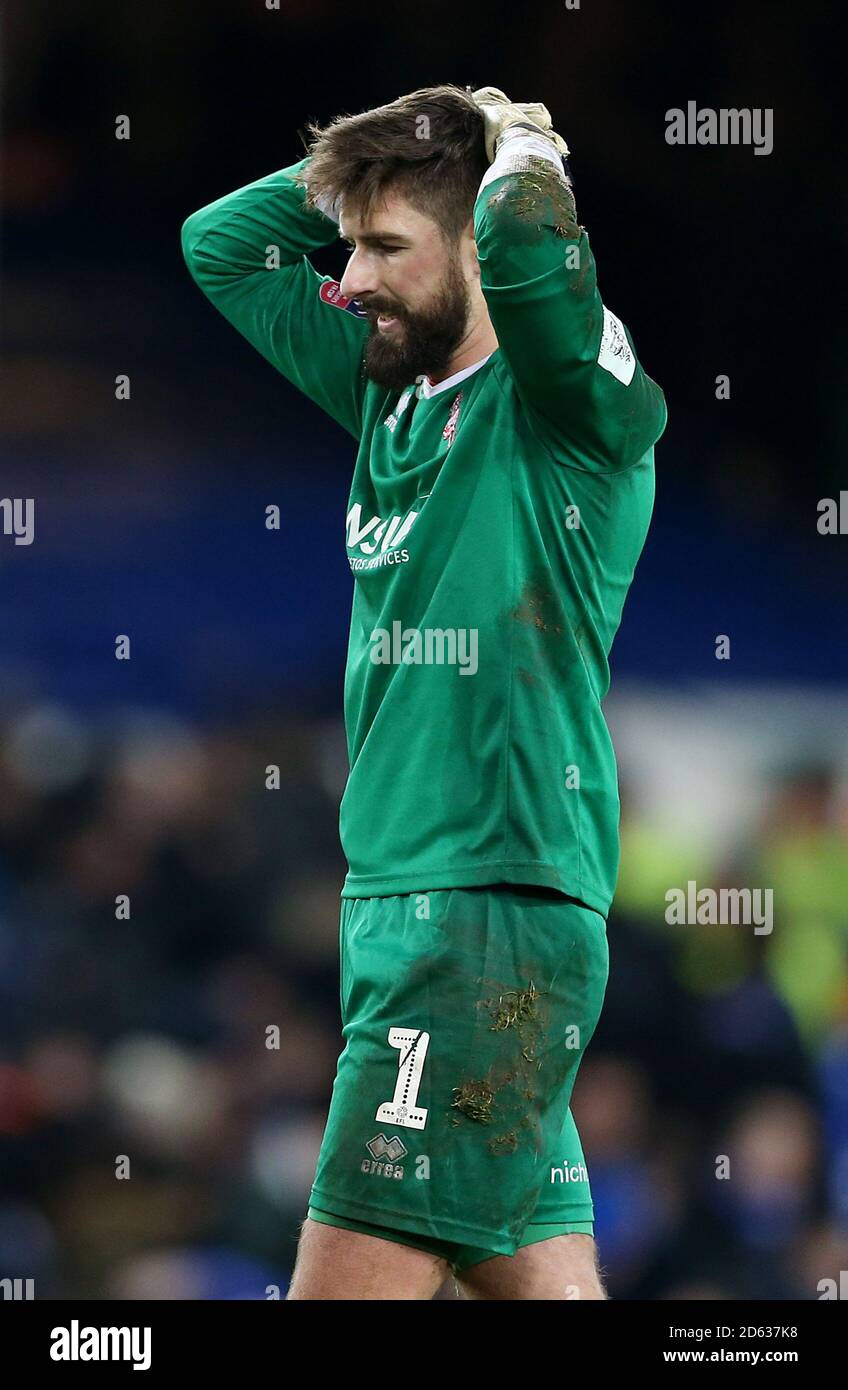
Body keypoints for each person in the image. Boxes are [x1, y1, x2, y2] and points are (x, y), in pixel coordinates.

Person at [181, 83, 667, 1300]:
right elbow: (218, 247)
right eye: (348, 246)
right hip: (413, 900)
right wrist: (390, 150)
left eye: (386, 248)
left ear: (476, 252)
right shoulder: (385, 393)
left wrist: (517, 152)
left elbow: (523, 256)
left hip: (479, 913)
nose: (346, 280)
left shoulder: (568, 407)